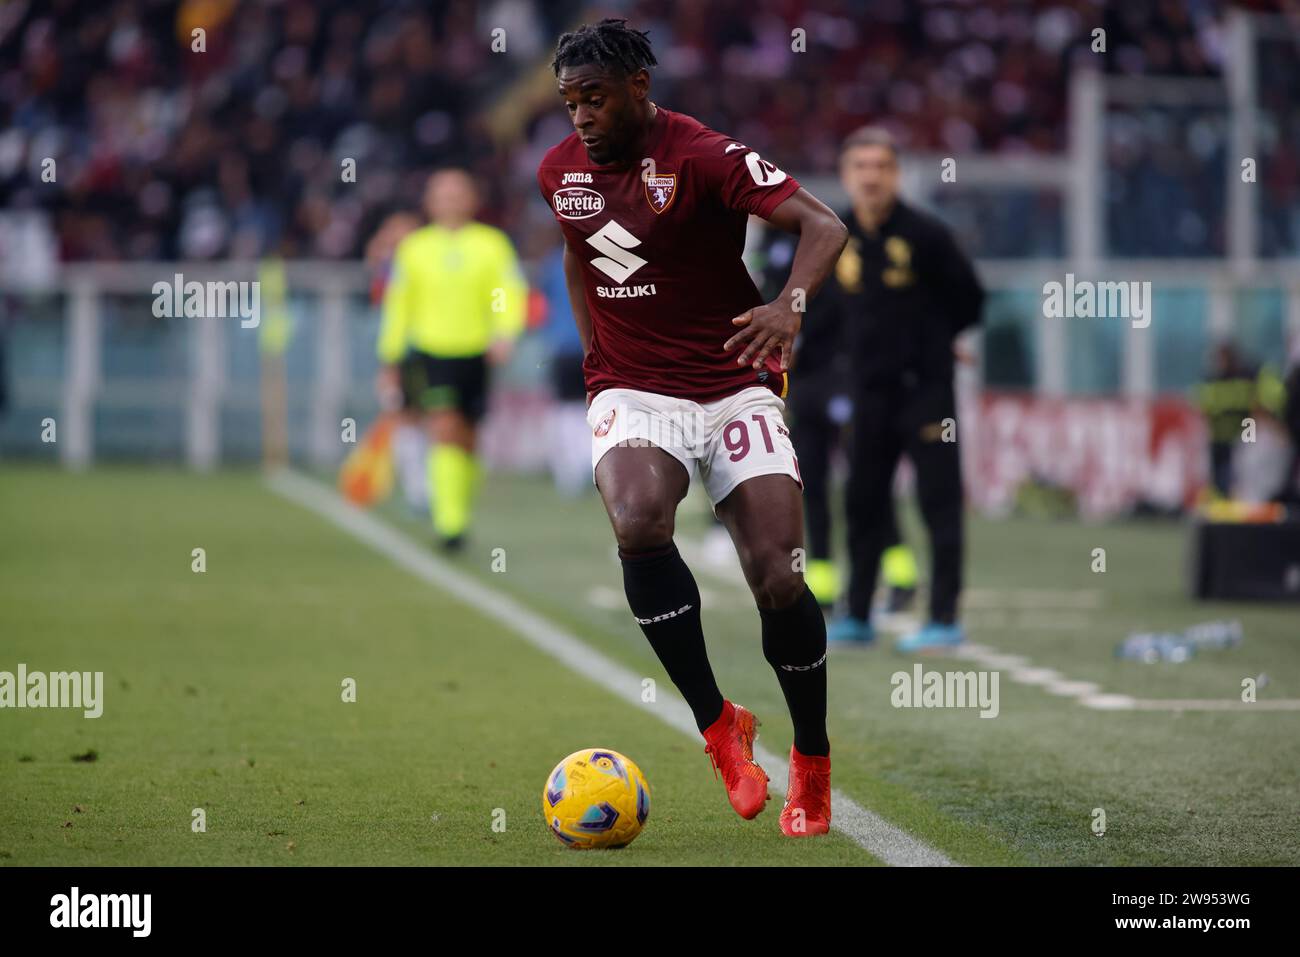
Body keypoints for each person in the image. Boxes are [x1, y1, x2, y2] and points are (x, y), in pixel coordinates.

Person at [537, 18, 848, 836]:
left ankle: (810, 761)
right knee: (638, 521)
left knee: (778, 576)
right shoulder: (558, 173)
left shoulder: (703, 155)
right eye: (570, 103)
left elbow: (826, 226)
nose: (581, 118)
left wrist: (790, 306)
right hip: (634, 387)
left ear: (638, 87)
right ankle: (719, 726)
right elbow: (579, 252)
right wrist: (594, 351)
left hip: (732, 382)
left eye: (594, 99)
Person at [827, 127, 984, 653]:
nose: (870, 176)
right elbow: (820, 311)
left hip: (927, 394)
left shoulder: (927, 235)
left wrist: (939, 343)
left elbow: (970, 300)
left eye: (881, 166)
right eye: (860, 166)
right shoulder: (831, 234)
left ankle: (943, 618)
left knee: (938, 501)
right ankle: (857, 614)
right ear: (846, 175)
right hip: (865, 394)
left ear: (895, 174)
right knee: (863, 502)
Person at [754, 221, 919, 614]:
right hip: (808, 382)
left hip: (847, 379)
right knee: (811, 483)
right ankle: (824, 582)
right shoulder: (778, 245)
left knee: (865, 482)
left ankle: (901, 575)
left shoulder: (825, 243)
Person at [376, 169, 527, 551]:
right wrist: (390, 358)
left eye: (458, 194)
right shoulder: (415, 248)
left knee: (469, 438)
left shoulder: (491, 245)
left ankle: (458, 507)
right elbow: (399, 305)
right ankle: (450, 522)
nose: (450, 201)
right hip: (431, 352)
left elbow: (508, 291)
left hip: (476, 353)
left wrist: (505, 332)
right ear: (429, 202)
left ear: (472, 199)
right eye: (442, 195)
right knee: (443, 426)